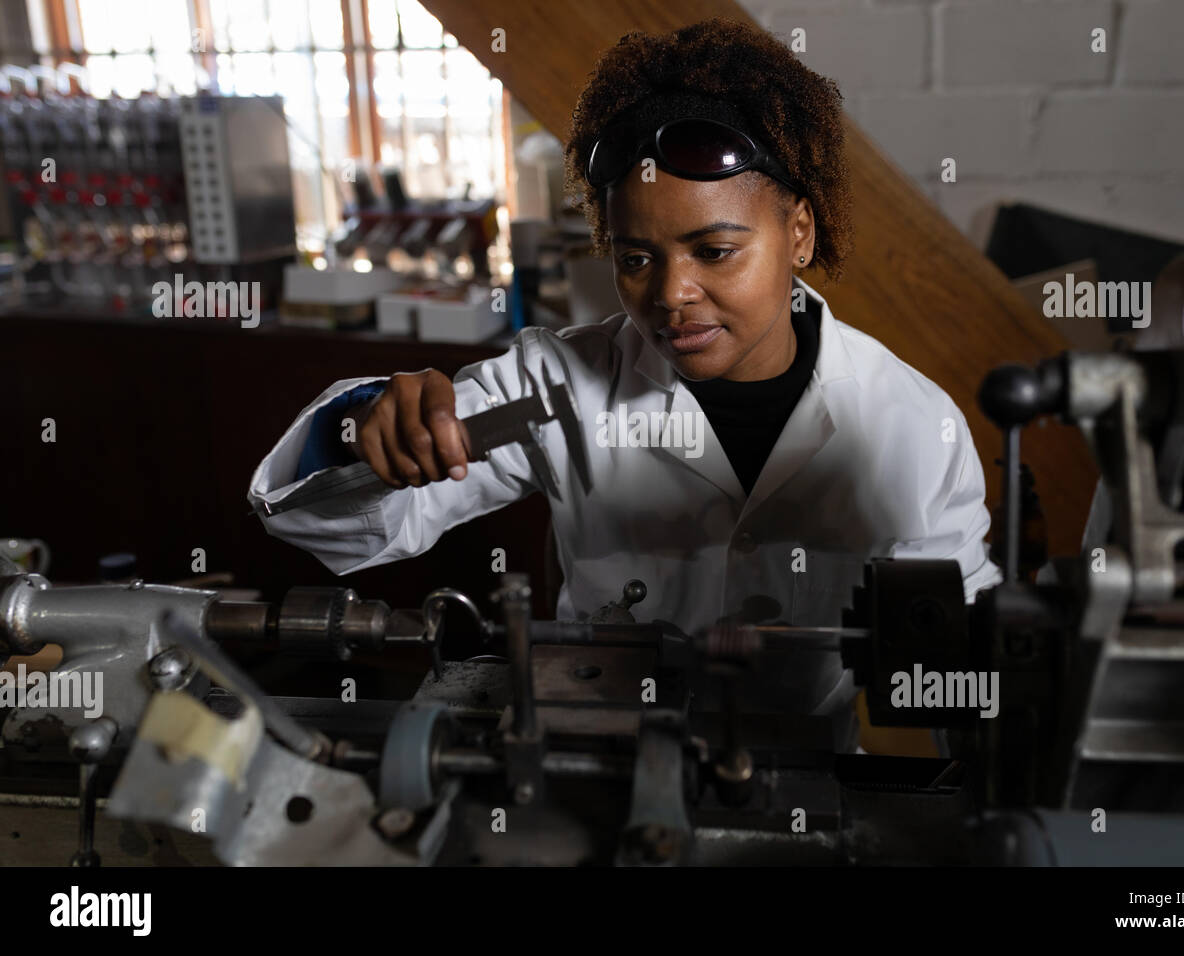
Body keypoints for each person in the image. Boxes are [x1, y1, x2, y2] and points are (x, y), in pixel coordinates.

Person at [248, 18, 1002, 752]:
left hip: (804, 778)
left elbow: (951, 656)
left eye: (714, 250)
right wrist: (361, 426)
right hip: (596, 762)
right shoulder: (554, 388)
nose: (672, 295)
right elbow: (336, 526)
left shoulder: (912, 423)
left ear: (798, 231)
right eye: (636, 258)